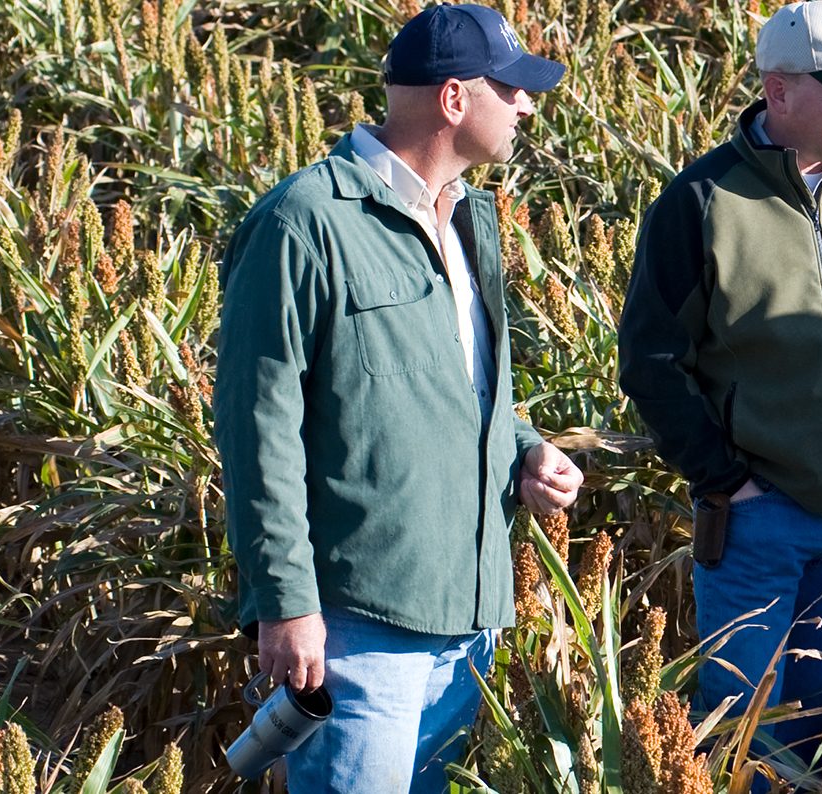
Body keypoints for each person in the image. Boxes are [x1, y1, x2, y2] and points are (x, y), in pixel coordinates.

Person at [214, 4, 581, 791]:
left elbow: (451, 387)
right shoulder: (304, 222)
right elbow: (257, 424)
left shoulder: (467, 219)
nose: (525, 106)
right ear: (454, 99)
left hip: (465, 623)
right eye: (510, 89)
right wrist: (286, 602)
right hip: (357, 627)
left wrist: (522, 451)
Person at [616, 0, 822, 777]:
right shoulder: (702, 202)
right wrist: (723, 479)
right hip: (756, 523)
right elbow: (651, 359)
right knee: (743, 742)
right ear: (778, 91)